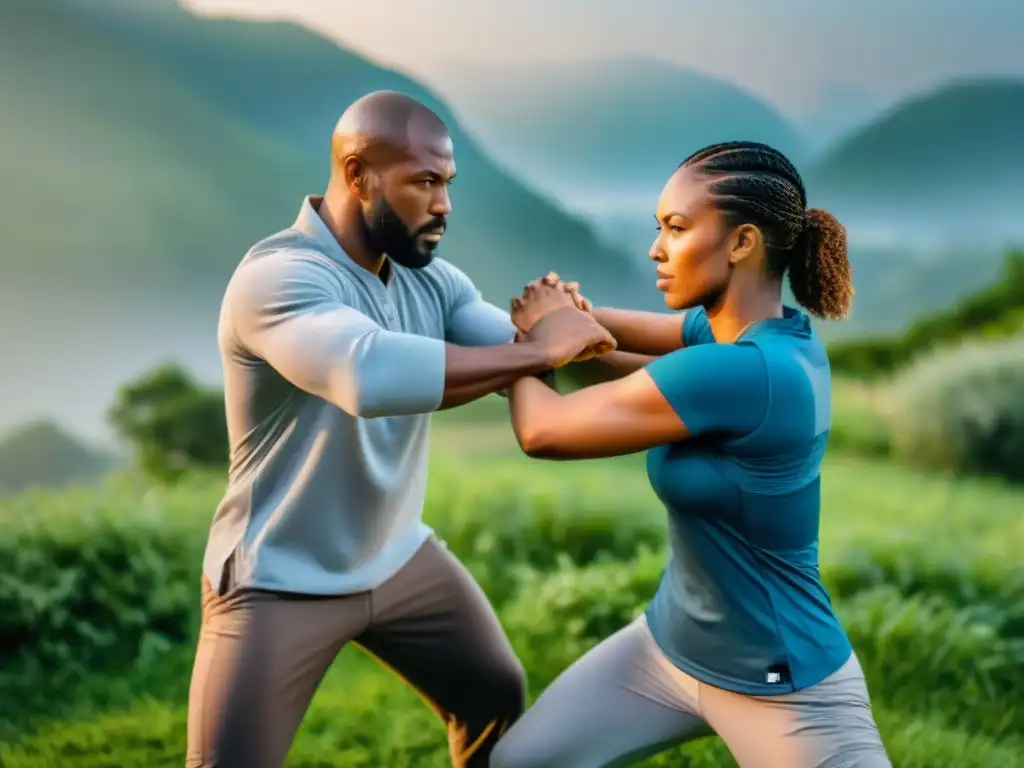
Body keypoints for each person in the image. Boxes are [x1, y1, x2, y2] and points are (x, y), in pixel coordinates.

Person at [184, 90, 615, 768]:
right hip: (281, 574)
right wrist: (541, 350)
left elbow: (524, 346)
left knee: (494, 693)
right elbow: (368, 376)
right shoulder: (277, 280)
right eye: (425, 182)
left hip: (398, 557)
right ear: (359, 176)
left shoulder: (432, 283)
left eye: (447, 183)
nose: (444, 204)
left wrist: (718, 352)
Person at [489, 141, 892, 768]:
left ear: (741, 243)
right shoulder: (762, 334)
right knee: (520, 763)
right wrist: (563, 318)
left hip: (784, 685)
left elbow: (545, 432)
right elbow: (610, 346)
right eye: (659, 228)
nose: (656, 248)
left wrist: (534, 348)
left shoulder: (750, 372)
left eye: (676, 229)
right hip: (667, 649)